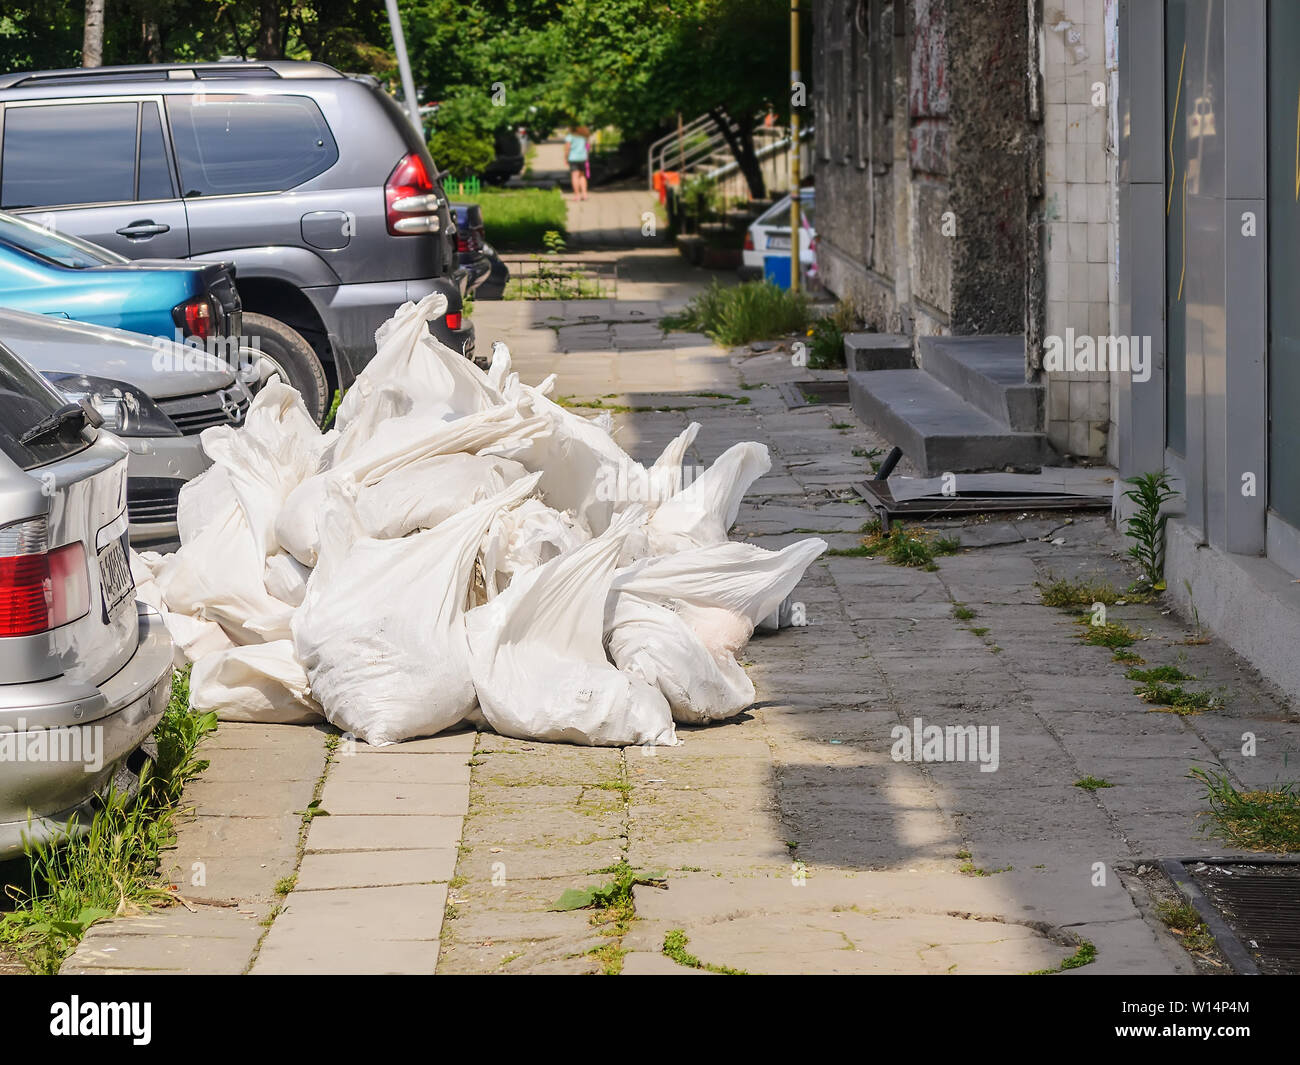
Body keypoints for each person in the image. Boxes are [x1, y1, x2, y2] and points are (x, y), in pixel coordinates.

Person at [565, 125, 590, 201]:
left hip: (573, 158)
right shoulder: (584, 136)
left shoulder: (570, 136)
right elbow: (588, 146)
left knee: (575, 176)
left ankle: (577, 195)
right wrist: (587, 155)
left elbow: (567, 148)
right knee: (582, 176)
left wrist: (566, 157)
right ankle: (584, 194)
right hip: (583, 157)